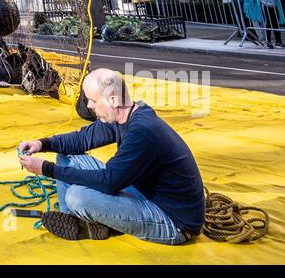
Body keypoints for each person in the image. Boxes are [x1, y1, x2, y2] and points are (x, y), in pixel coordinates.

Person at [17, 68, 205, 244]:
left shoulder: (141, 132)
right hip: (141, 191)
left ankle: (86, 218)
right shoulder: (125, 113)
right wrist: (42, 144)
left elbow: (109, 181)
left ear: (113, 100)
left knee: (78, 197)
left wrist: (46, 169)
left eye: (92, 100)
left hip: (174, 221)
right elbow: (82, 139)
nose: (89, 105)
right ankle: (75, 219)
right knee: (67, 156)